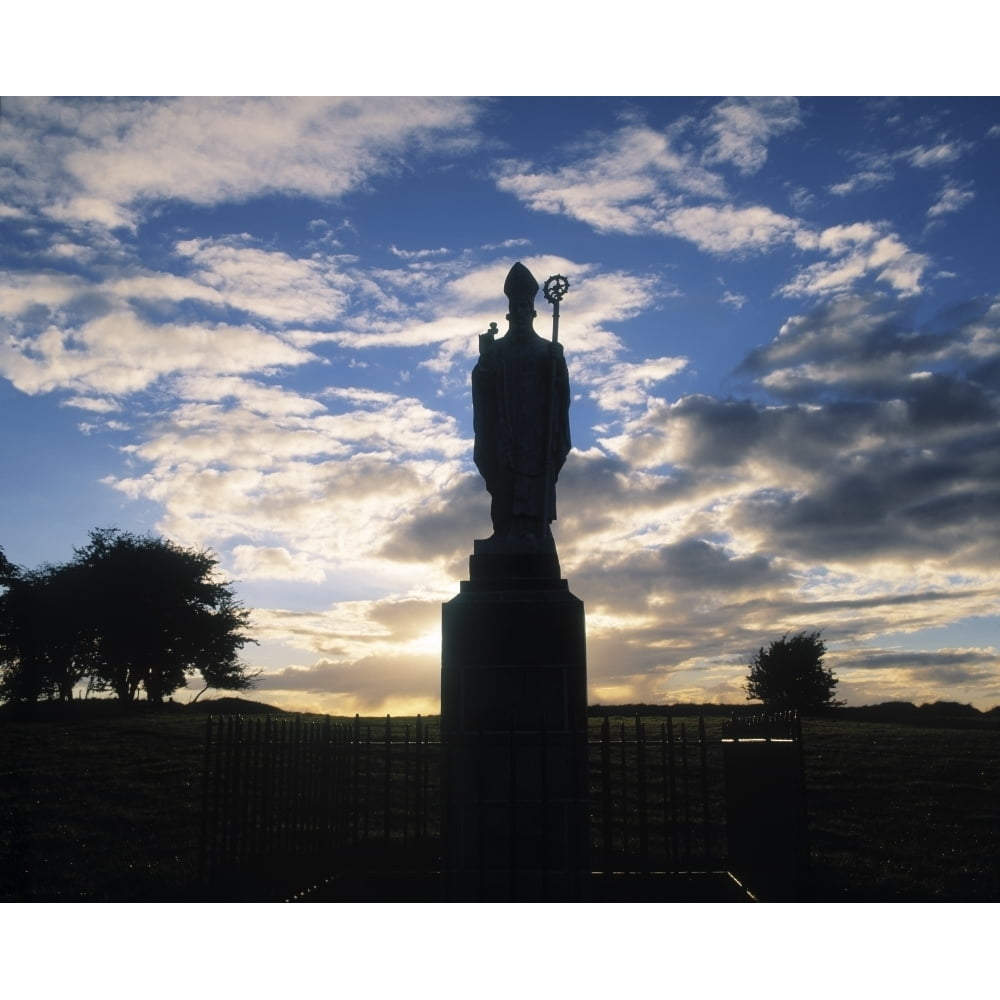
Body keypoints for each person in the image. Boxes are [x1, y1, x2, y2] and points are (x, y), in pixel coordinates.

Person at [472, 262, 571, 554]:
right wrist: (486, 362)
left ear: (533, 312)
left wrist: (560, 367)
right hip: (504, 427)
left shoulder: (546, 351)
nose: (519, 313)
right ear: (508, 313)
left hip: (535, 429)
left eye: (524, 307)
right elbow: (482, 388)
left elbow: (560, 395)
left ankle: (532, 531)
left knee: (533, 476)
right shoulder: (497, 350)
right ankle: (504, 530)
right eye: (515, 308)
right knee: (504, 474)